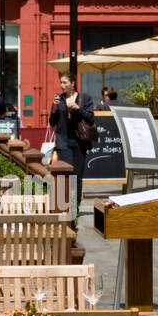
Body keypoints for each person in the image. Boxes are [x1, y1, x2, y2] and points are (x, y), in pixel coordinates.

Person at [49, 72, 96, 211]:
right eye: (61, 83)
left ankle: (75, 207)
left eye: (65, 82)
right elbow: (52, 122)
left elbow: (90, 118)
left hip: (80, 142)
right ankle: (65, 207)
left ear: (73, 83)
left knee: (77, 176)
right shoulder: (59, 99)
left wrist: (77, 108)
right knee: (65, 176)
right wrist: (55, 108)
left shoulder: (85, 98)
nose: (62, 85)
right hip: (64, 142)